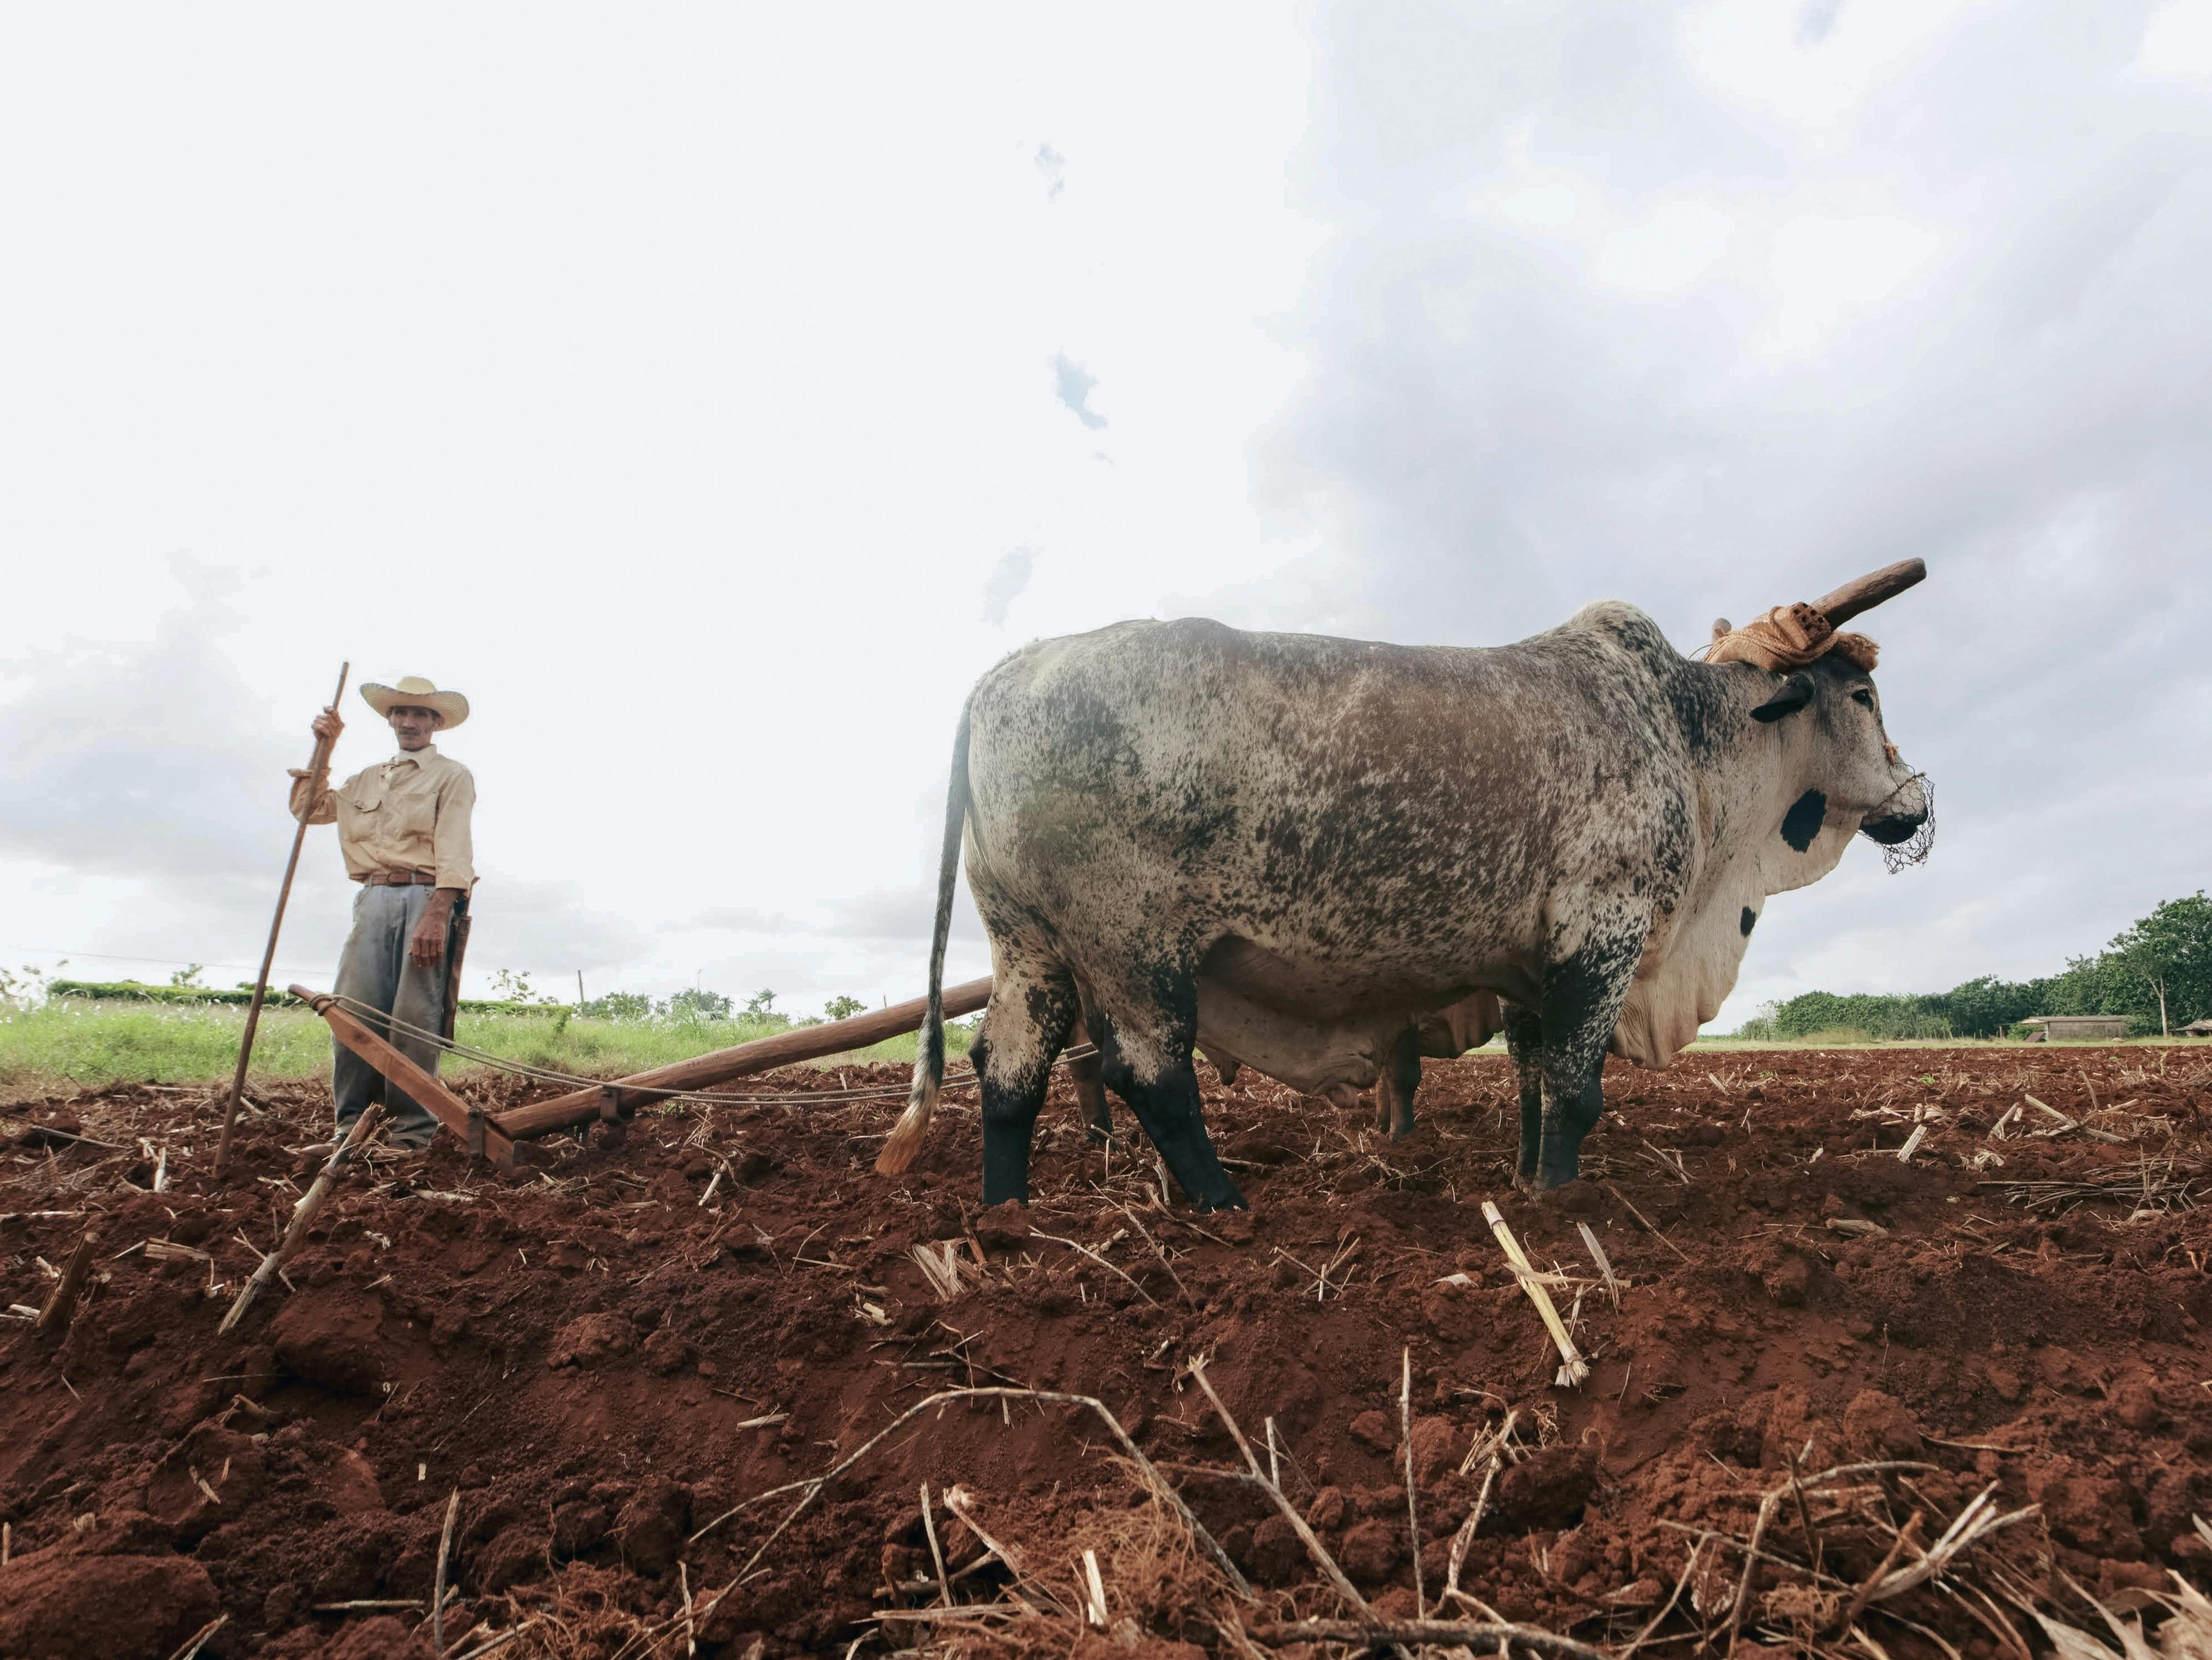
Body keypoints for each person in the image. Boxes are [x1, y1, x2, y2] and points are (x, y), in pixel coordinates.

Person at [289, 676, 476, 1148]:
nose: (410, 722)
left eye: (421, 714)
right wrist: (324, 749)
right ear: (390, 719)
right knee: (355, 1012)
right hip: (372, 899)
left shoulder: (451, 775)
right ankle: (350, 1130)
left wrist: (437, 912)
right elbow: (309, 809)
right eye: (402, 713)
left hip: (425, 896)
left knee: (414, 1018)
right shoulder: (366, 779)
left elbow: (454, 849)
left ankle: (410, 1135)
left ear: (436, 723)